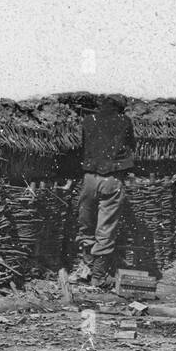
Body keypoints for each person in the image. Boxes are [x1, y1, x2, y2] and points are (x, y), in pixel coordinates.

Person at [75, 95, 136, 289]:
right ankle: (98, 277)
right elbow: (131, 146)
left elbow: (82, 146)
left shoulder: (87, 120)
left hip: (89, 179)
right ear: (120, 108)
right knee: (105, 229)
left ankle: (87, 267)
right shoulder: (124, 121)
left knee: (85, 225)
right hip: (111, 179)